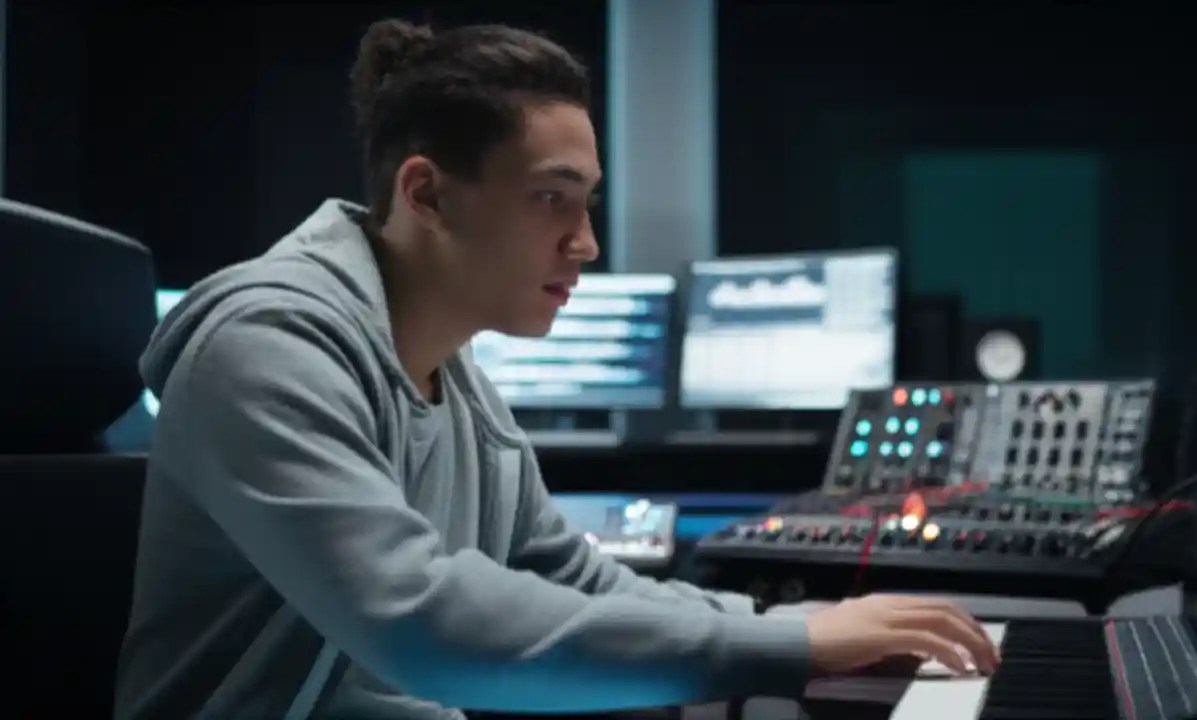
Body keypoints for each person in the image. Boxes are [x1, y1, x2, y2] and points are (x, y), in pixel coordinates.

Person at [114, 18, 998, 720]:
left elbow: (568, 579)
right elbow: (414, 621)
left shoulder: (462, 392)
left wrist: (785, 627)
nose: (587, 244)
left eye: (588, 204)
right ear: (426, 194)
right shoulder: (266, 348)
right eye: (552, 199)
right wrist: (793, 651)